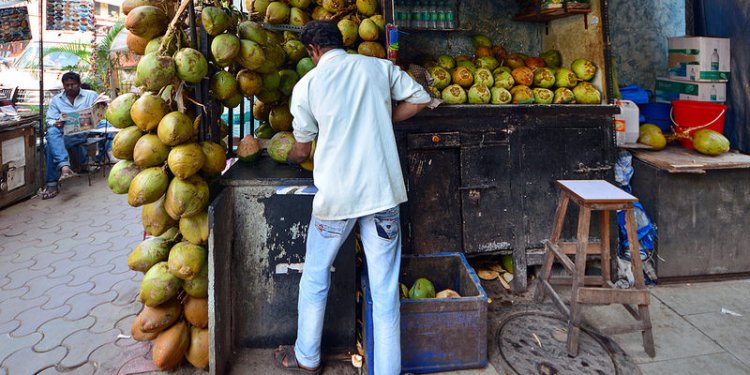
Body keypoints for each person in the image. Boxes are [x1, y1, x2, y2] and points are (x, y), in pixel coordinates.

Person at [274, 21, 431, 375]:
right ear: (341, 43)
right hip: (382, 196)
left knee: (315, 277)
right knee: (385, 291)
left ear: (313, 51)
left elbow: (301, 150)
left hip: (337, 200)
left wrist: (287, 156)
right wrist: (384, 118)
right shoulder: (378, 67)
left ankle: (308, 358)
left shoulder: (308, 85)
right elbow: (421, 97)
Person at [42, 72, 100, 199]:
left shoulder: (90, 95)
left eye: (72, 85)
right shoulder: (57, 100)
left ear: (79, 84)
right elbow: (50, 119)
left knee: (50, 146)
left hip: (81, 133)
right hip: (63, 132)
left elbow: (99, 112)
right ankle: (65, 167)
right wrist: (56, 123)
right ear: (63, 85)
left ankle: (53, 183)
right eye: (67, 85)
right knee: (52, 132)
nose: (69, 87)